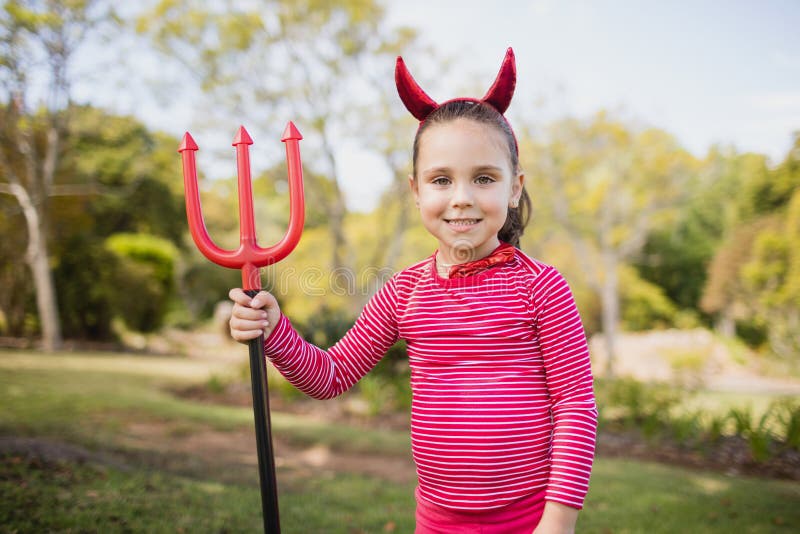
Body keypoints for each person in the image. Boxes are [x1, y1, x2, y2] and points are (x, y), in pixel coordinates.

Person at [229, 48, 597, 534]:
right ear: (417, 191)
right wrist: (274, 330)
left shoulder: (541, 287)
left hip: (528, 520)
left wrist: (558, 522)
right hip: (437, 522)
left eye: (484, 178)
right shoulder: (405, 292)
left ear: (514, 188)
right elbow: (330, 376)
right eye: (441, 179)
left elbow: (575, 407)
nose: (461, 197)